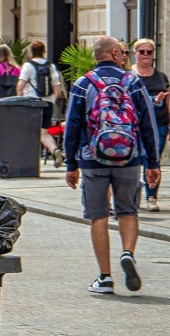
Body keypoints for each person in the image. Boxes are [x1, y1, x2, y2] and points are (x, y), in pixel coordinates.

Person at [64, 35, 161, 294]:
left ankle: (105, 277)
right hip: (129, 158)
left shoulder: (83, 83)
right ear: (116, 54)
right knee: (128, 211)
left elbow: (72, 126)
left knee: (98, 216)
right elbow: (148, 124)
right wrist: (152, 162)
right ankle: (127, 252)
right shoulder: (133, 82)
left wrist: (71, 164)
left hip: (92, 159)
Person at [128, 38, 170, 211]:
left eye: (149, 52)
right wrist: (153, 100)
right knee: (131, 161)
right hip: (133, 125)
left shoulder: (160, 76)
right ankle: (131, 196)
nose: (145, 55)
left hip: (158, 124)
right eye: (142, 51)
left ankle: (151, 196)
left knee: (153, 159)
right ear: (135, 53)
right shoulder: (129, 76)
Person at [15, 39, 66, 167]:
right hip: (47, 103)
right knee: (43, 132)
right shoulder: (50, 66)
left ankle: (27, 158)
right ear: (44, 51)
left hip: (31, 103)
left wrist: (19, 99)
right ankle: (55, 150)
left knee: (27, 130)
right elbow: (57, 88)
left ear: (31, 52)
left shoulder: (28, 66)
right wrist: (52, 100)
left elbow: (20, 86)